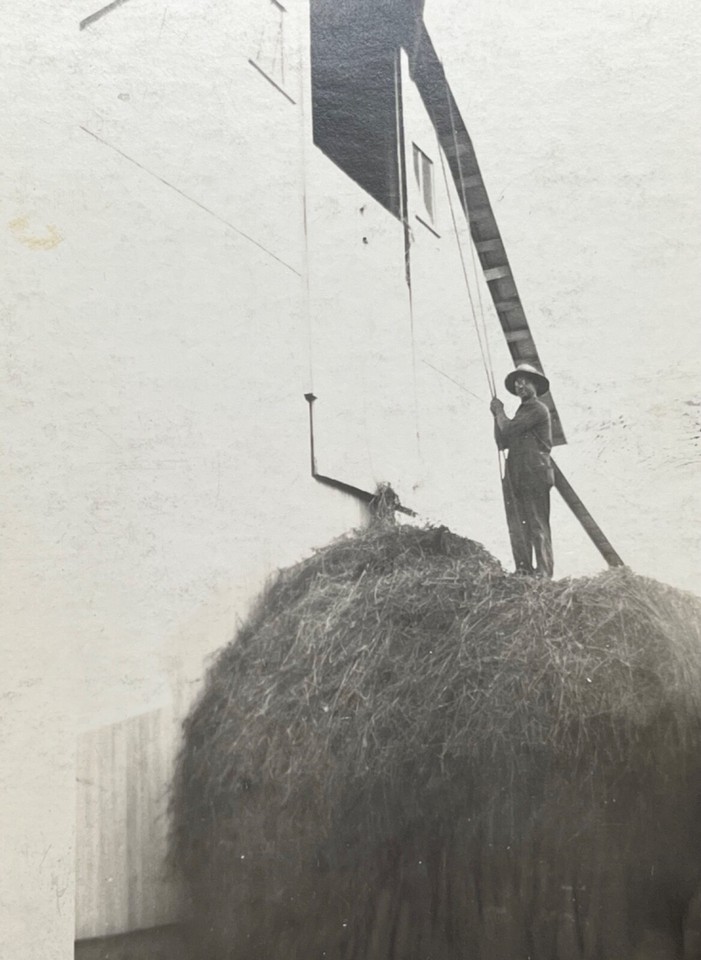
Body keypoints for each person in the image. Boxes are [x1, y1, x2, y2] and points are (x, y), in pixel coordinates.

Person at [490, 363, 554, 578]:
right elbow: (502, 442)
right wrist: (496, 417)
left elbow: (508, 429)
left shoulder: (537, 409)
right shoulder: (521, 413)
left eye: (524, 381)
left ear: (535, 385)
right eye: (517, 383)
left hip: (534, 472)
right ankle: (523, 570)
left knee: (537, 523)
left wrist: (499, 412)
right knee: (517, 525)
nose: (520, 386)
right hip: (516, 474)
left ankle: (544, 573)